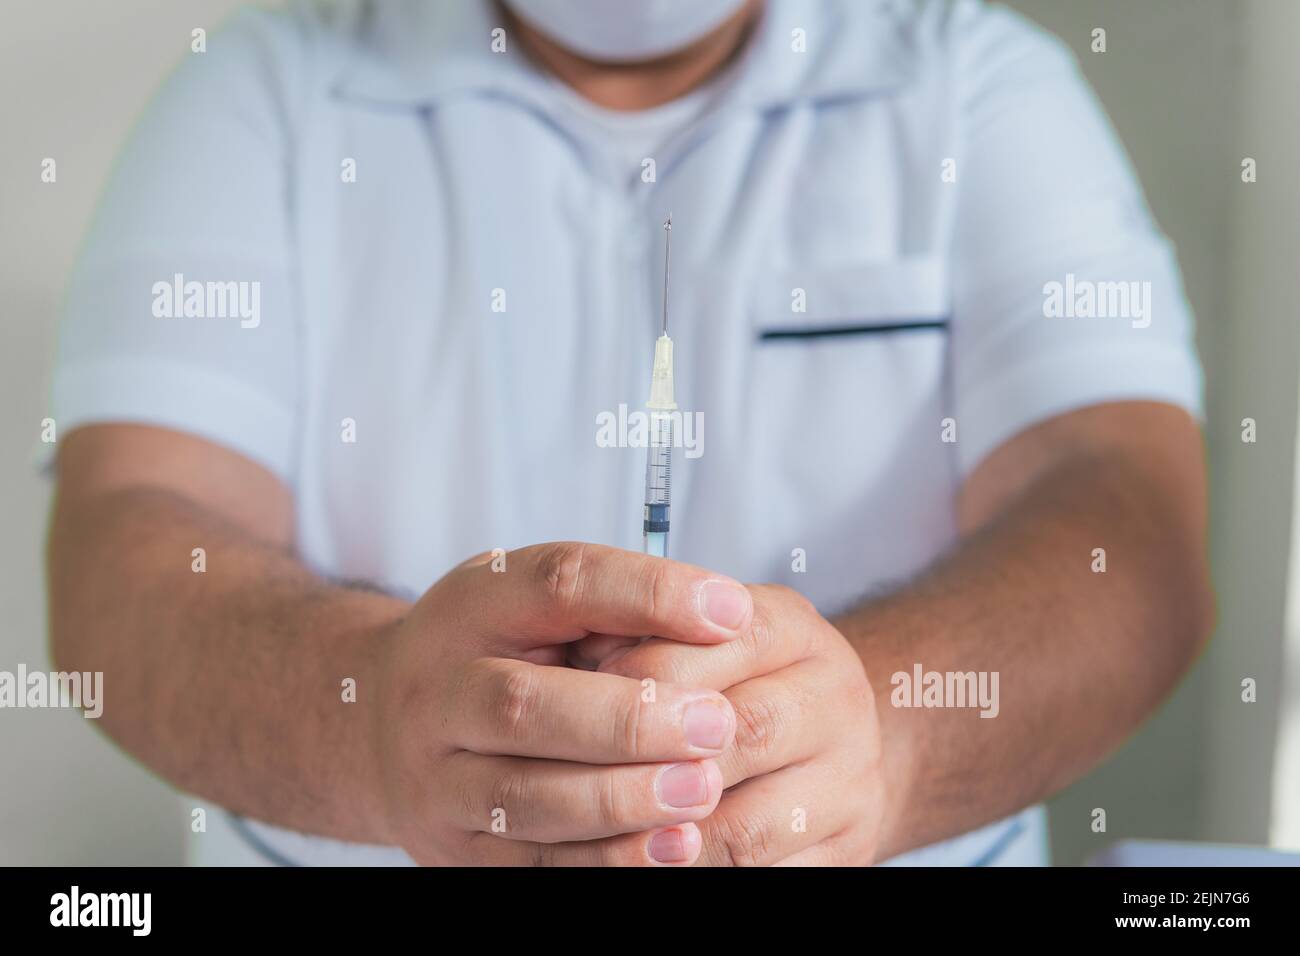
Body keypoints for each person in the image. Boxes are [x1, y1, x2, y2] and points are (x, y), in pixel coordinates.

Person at [46, 0, 1212, 866]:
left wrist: (879, 735)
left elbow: (1128, 522)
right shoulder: (266, 89)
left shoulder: (974, 81)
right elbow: (126, 549)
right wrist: (375, 719)